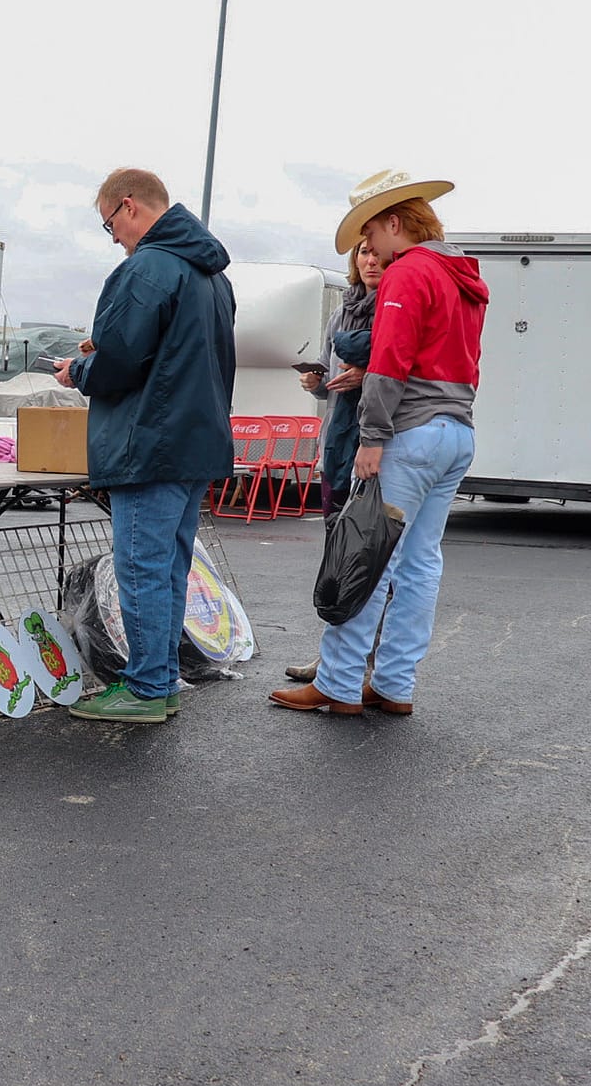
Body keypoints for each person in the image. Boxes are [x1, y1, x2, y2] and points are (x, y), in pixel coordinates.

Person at [271, 170, 486, 717]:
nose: (368, 245)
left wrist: (372, 436)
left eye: (369, 230)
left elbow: (390, 362)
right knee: (420, 564)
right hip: (457, 429)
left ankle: (339, 683)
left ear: (394, 221)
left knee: (367, 555)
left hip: (410, 433)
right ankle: (393, 685)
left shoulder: (408, 271)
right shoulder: (463, 274)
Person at [55, 168, 235, 724]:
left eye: (110, 224)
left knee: (141, 570)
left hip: (149, 444)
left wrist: (79, 371)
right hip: (196, 442)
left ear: (129, 206)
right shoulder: (212, 276)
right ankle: (161, 679)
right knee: (170, 568)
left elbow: (119, 362)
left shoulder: (147, 267)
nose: (114, 238)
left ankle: (148, 687)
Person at [283, 238, 382, 683]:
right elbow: (329, 376)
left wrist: (369, 374)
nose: (370, 260)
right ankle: (334, 655)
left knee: (372, 561)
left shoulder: (395, 307)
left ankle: (370, 660)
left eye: (377, 252)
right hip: (338, 447)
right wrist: (316, 382)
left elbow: (406, 373)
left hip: (376, 445)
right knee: (336, 557)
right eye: (363, 252)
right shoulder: (341, 313)